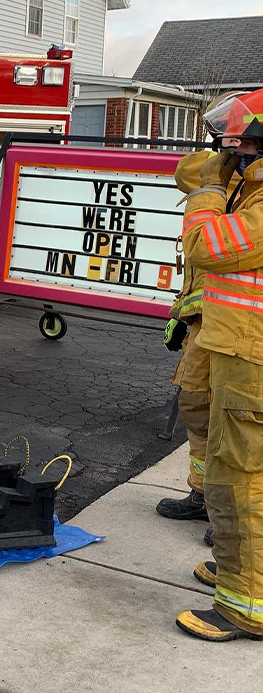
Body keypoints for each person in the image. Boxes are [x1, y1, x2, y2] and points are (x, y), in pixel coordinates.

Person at [174, 88, 263, 641]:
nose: (238, 153)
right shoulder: (249, 186)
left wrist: (212, 190)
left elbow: (206, 246)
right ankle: (244, 573)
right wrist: (225, 163)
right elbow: (191, 170)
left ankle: (245, 602)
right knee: (238, 470)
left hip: (252, 359)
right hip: (237, 348)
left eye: (246, 144)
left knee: (242, 478)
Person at [158, 146, 242, 522]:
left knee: (232, 422)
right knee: (195, 406)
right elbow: (198, 273)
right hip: (201, 325)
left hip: (235, 329)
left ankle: (231, 514)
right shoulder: (216, 202)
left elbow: (214, 253)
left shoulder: (243, 203)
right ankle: (202, 494)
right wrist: (182, 313)